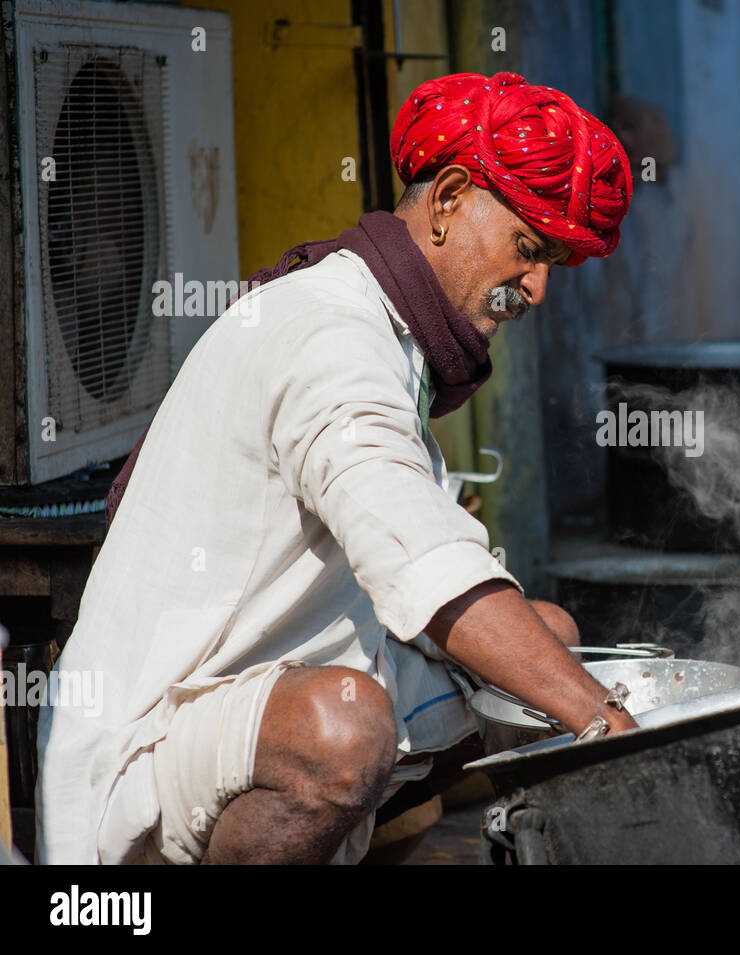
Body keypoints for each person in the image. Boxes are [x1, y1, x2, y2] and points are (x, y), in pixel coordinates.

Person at [36, 71, 634, 864]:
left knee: (541, 647)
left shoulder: (389, 332)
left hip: (277, 687)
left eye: (554, 262)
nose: (537, 287)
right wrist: (609, 723)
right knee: (345, 728)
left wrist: (567, 692)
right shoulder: (332, 333)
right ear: (450, 198)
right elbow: (421, 561)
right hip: (154, 747)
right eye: (530, 249)